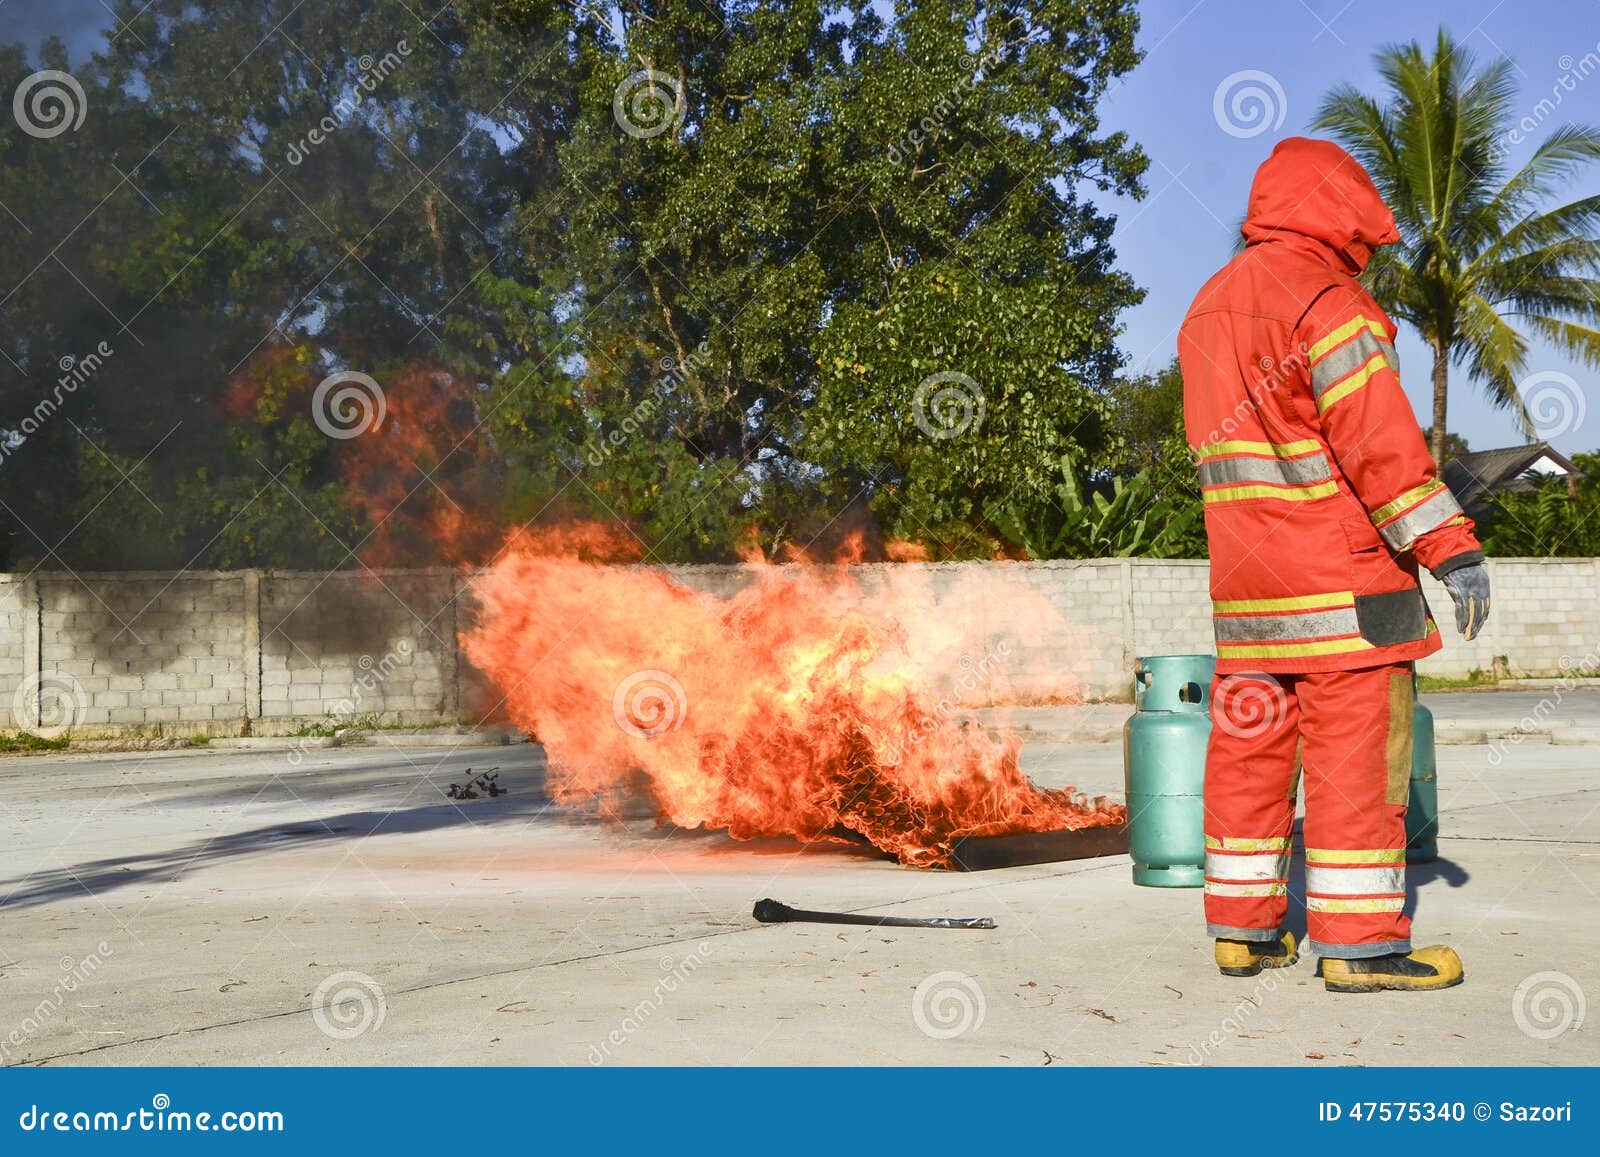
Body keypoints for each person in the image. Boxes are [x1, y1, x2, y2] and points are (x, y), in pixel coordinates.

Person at [1178, 136, 1492, 993]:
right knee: (1357, 757)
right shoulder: (1329, 301)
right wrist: (1449, 546)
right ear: (1339, 213)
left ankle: (1243, 931)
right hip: (1346, 587)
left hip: (1248, 593)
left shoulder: (1208, 304)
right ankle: (1361, 946)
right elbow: (1380, 446)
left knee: (1250, 753)